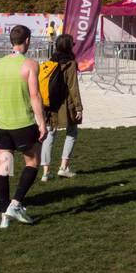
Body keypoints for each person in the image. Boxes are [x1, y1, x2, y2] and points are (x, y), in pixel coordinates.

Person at [0, 25, 47, 228]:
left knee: (4, 166)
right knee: (33, 161)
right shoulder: (30, 64)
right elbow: (35, 96)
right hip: (24, 123)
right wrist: (42, 122)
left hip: (2, 123)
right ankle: (16, 203)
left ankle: (4, 213)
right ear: (27, 40)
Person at [40, 34, 84, 182]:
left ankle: (45, 171)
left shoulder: (50, 61)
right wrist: (79, 107)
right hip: (66, 104)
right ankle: (64, 167)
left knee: (50, 134)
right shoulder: (70, 63)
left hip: (50, 104)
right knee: (72, 132)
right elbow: (73, 87)